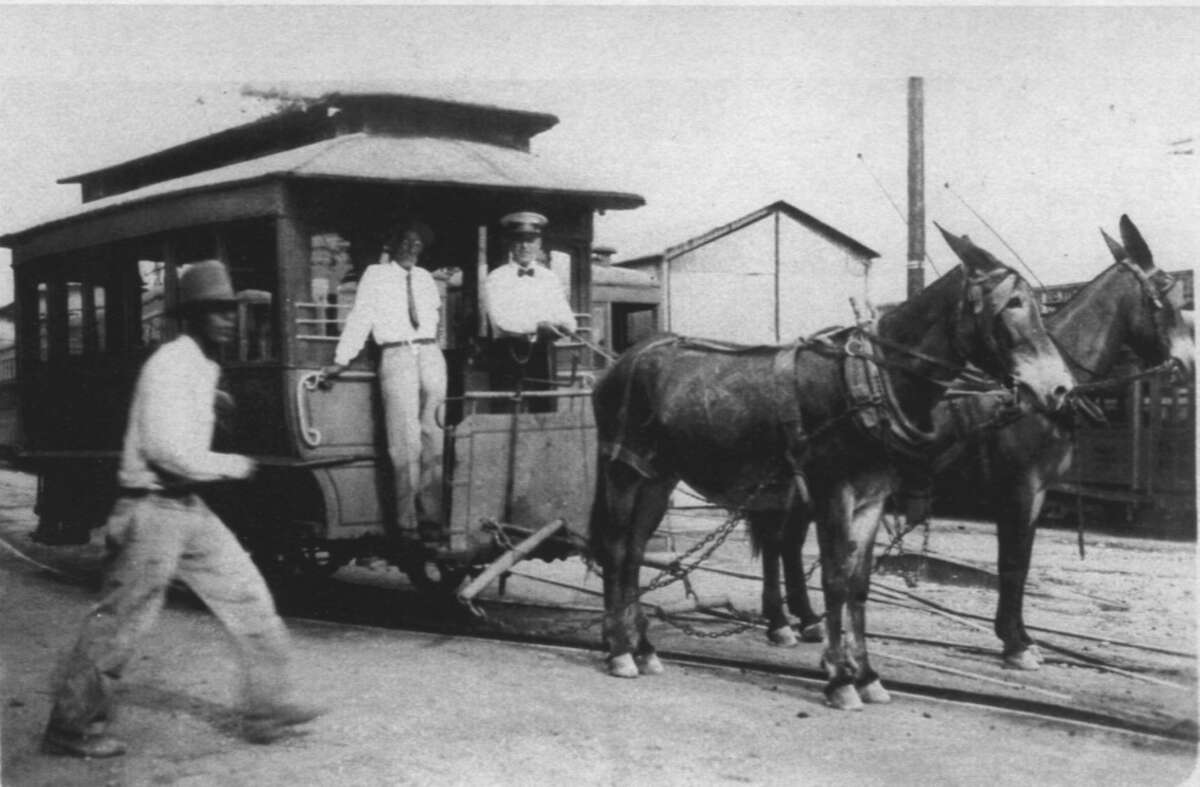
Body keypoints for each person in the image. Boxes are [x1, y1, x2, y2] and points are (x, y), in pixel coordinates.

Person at [42, 260, 322, 758]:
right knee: (120, 623)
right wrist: (236, 465)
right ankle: (72, 727)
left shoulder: (202, 366)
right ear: (190, 317)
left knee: (249, 596)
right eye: (215, 312)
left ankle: (269, 708)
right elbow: (168, 451)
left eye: (230, 310)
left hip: (186, 507)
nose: (228, 320)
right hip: (150, 510)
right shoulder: (171, 363)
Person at [322, 219, 446, 536]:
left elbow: (435, 319)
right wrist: (341, 359)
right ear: (392, 244)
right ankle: (407, 522)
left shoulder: (425, 279)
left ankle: (431, 516)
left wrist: (434, 351)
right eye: (405, 241)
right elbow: (360, 318)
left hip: (430, 354)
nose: (411, 247)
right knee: (404, 440)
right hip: (397, 354)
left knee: (435, 435)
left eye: (417, 243)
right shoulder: (375, 276)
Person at [483, 212, 577, 407]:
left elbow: (566, 316)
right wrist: (538, 325)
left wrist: (567, 326)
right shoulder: (496, 278)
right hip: (507, 353)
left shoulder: (549, 278)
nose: (525, 246)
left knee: (543, 410)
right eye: (519, 240)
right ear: (511, 243)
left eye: (530, 240)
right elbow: (500, 321)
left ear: (539, 244)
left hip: (541, 353)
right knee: (505, 414)